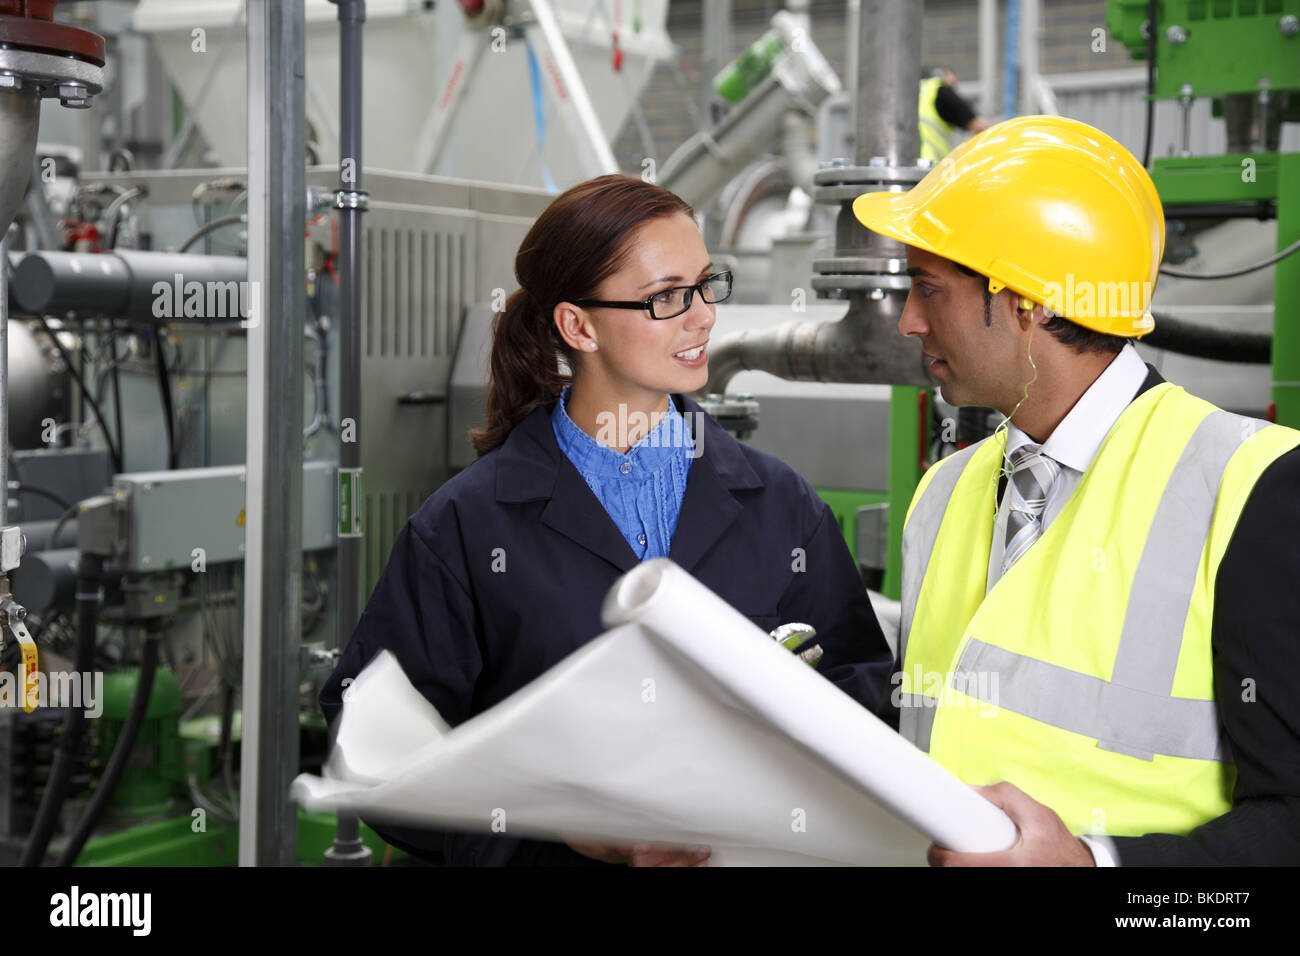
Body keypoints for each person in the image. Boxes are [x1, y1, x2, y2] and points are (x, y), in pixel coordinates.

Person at [320, 173, 895, 867]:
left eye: (707, 285)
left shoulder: (780, 504)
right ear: (578, 325)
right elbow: (379, 743)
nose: (703, 316)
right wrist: (548, 831)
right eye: (666, 298)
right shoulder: (466, 527)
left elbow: (858, 692)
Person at [852, 115, 1300, 865]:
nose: (908, 321)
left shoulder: (1253, 487)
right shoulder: (944, 494)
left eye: (930, 289)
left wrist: (1095, 865)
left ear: (1031, 301)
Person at [919, 67, 988, 162]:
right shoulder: (940, 92)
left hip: (904, 165)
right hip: (931, 166)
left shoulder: (916, 91)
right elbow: (980, 127)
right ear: (945, 75)